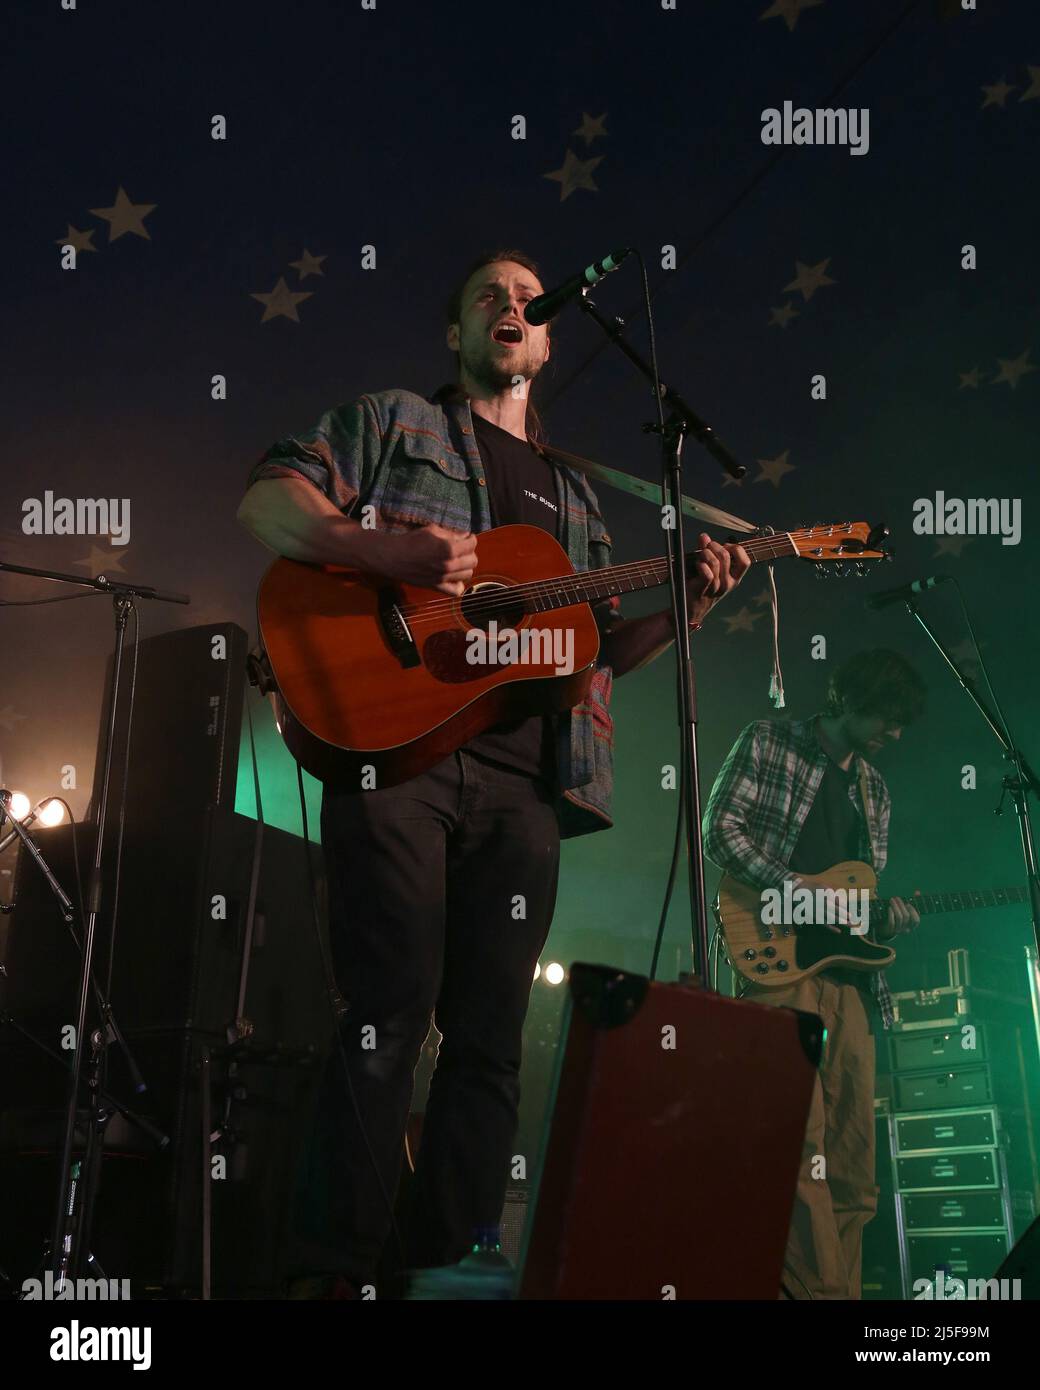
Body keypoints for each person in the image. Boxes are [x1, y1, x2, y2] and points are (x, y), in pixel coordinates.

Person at [238, 248, 750, 1295]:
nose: (511, 307)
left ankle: (440, 1268)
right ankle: (327, 1273)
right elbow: (265, 502)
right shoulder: (396, 423)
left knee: (489, 1043)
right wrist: (382, 555)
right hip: (399, 766)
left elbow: (590, 650)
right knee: (384, 1015)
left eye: (528, 300)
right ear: (458, 334)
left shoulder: (576, 498)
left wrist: (687, 614)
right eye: (488, 297)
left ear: (550, 338)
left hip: (525, 791)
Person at [703, 648, 927, 1299]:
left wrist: (884, 919)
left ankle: (842, 1293)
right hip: (779, 961)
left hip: (851, 981)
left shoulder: (875, 789)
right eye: (888, 715)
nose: (896, 732)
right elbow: (720, 830)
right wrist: (795, 886)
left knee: (856, 1168)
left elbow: (857, 901)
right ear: (851, 699)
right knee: (802, 1148)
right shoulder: (771, 741)